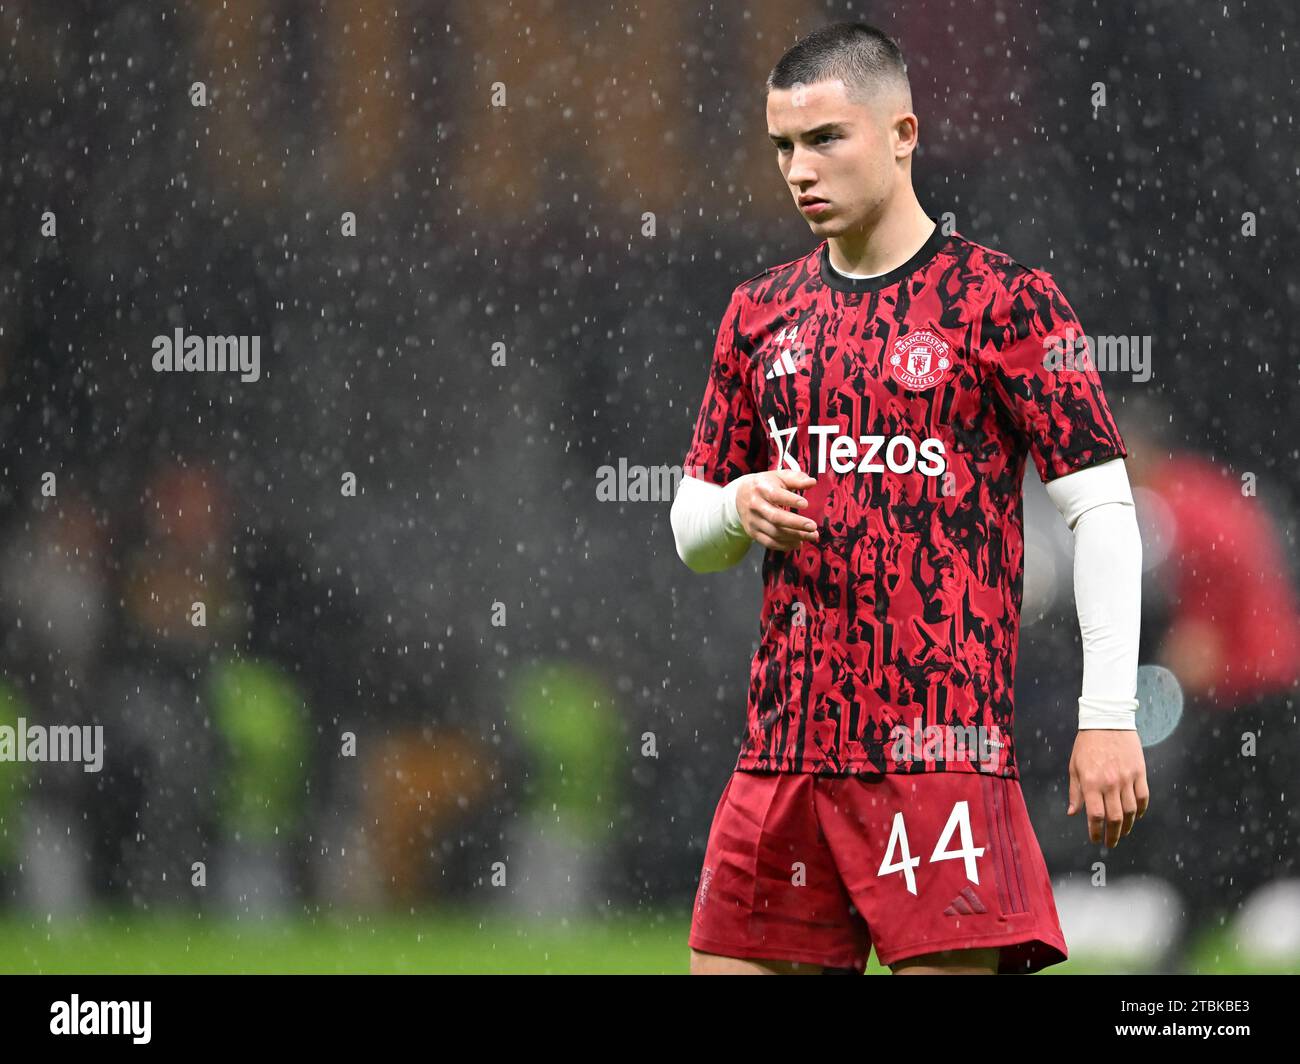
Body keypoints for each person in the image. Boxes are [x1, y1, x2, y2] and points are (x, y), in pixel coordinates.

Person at [670, 22, 1146, 975]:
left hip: (938, 756)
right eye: (782, 147)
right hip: (784, 756)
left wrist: (1110, 713)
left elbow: (1103, 515)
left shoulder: (1006, 302)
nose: (800, 170)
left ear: (902, 132)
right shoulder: (759, 312)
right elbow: (690, 527)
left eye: (826, 138)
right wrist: (737, 508)